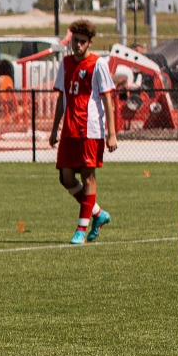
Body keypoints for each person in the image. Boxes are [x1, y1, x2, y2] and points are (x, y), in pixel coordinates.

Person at [48, 19, 117, 244]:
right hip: (69, 129)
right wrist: (54, 128)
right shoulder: (66, 63)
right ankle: (98, 213)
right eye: (75, 41)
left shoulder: (98, 64)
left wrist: (111, 133)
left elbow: (107, 98)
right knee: (65, 177)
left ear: (89, 43)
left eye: (82, 42)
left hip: (91, 129)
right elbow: (61, 98)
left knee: (88, 176)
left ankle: (81, 229)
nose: (77, 45)